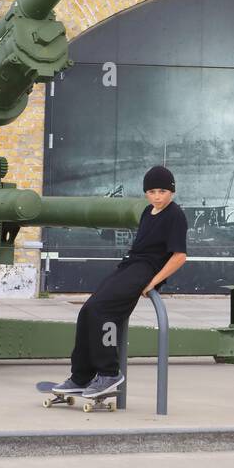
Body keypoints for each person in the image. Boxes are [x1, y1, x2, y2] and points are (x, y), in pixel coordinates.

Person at [53, 165, 189, 399]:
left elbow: (179, 256)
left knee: (103, 311)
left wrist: (152, 283)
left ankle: (108, 373)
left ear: (172, 192)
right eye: (153, 191)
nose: (157, 196)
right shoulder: (148, 212)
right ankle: (81, 376)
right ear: (146, 193)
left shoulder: (175, 215)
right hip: (130, 265)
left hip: (145, 270)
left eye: (163, 191)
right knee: (87, 310)